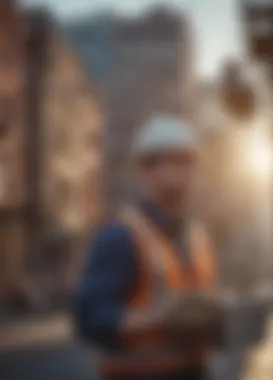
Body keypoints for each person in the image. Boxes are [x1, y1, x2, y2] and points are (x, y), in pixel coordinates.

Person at [75, 115, 217, 380]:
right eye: (172, 161)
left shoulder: (195, 236)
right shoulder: (119, 236)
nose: (182, 171)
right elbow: (91, 319)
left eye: (187, 162)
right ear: (145, 170)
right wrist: (159, 317)